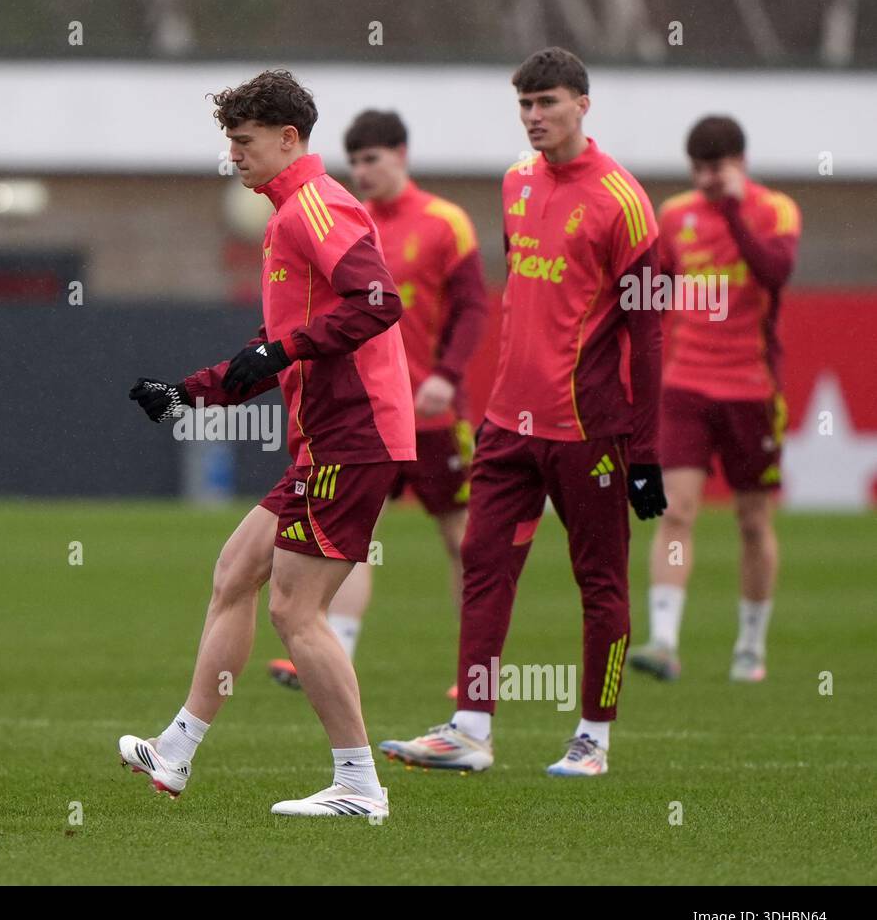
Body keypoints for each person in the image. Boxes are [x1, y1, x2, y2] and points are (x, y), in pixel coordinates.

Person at [121, 69, 416, 817]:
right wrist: (189, 391)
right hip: (329, 439)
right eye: (229, 142)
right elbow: (273, 346)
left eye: (244, 142)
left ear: (289, 139)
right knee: (234, 572)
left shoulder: (314, 205)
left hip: (354, 436)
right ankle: (177, 749)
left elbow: (379, 299)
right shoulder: (290, 214)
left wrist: (281, 355)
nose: (234, 157)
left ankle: (358, 785)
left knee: (295, 609)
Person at [380, 47, 666, 777]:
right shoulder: (513, 182)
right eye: (525, 106)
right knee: (483, 565)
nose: (535, 118)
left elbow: (648, 333)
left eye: (549, 104)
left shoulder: (625, 202)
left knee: (599, 582)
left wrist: (648, 448)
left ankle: (594, 738)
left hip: (590, 432)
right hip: (507, 424)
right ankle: (471, 727)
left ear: (583, 105)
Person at [265, 109, 487, 700]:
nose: (362, 171)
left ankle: (472, 670)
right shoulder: (343, 218)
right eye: (355, 160)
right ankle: (330, 648)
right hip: (365, 417)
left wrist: (447, 375)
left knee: (460, 539)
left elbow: (473, 310)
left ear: (402, 155)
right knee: (350, 540)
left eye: (374, 159)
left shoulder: (446, 223)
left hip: (436, 415)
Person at [631, 116, 801, 683]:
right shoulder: (676, 214)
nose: (705, 179)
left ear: (739, 163)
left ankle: (751, 643)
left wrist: (732, 212)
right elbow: (656, 291)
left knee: (753, 520)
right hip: (686, 383)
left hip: (752, 387)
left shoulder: (774, 210)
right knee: (676, 510)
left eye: (716, 168)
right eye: (698, 169)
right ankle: (664, 640)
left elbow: (774, 273)